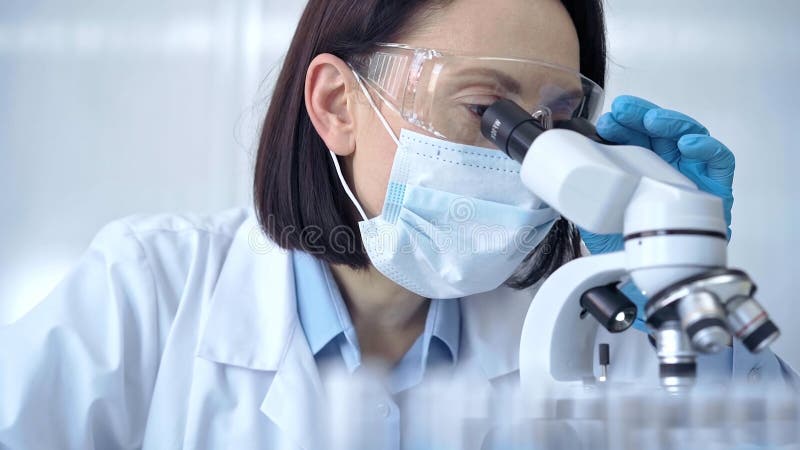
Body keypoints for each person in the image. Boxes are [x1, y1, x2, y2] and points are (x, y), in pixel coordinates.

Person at [1, 0, 796, 449]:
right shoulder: (145, 296)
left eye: (556, 122)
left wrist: (682, 285)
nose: (530, 163)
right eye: (487, 113)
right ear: (337, 105)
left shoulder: (588, 333)